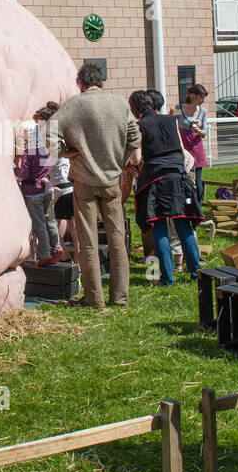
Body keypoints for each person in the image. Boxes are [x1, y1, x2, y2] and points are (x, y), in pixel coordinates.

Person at [47, 63, 142, 309]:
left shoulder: (73, 104)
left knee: (88, 242)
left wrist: (66, 153)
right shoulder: (120, 103)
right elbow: (135, 138)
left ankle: (94, 299)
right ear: (101, 81)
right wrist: (120, 161)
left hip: (84, 182)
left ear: (80, 83)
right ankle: (120, 298)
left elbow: (49, 133)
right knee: (117, 239)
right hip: (112, 179)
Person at [127, 90, 201, 286]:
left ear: (135, 110)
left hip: (154, 182)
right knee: (183, 226)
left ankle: (167, 278)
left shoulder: (139, 126)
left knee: (159, 228)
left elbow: (135, 158)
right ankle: (197, 274)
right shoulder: (171, 121)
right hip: (178, 178)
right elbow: (180, 150)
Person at [15, 105, 59, 265]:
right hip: (47, 187)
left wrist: (16, 170)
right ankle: (57, 247)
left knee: (39, 224)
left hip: (33, 191)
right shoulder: (47, 146)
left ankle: (45, 253)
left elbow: (24, 173)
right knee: (50, 220)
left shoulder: (30, 151)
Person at [170, 84, 210, 203]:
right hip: (182, 146)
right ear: (194, 96)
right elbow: (170, 120)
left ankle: (197, 205)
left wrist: (199, 131)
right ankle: (185, 202)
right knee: (182, 176)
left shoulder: (203, 111)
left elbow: (204, 132)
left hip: (196, 147)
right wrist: (170, 113)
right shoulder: (179, 109)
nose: (203, 100)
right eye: (201, 97)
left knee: (197, 180)